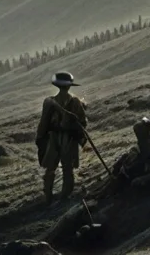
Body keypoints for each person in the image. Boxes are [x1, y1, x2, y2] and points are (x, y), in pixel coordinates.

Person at [36, 72, 88, 205]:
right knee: (60, 168)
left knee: (59, 168)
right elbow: (83, 122)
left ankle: (55, 195)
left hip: (61, 138)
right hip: (60, 138)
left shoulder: (65, 102)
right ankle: (56, 195)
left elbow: (81, 122)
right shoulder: (56, 102)